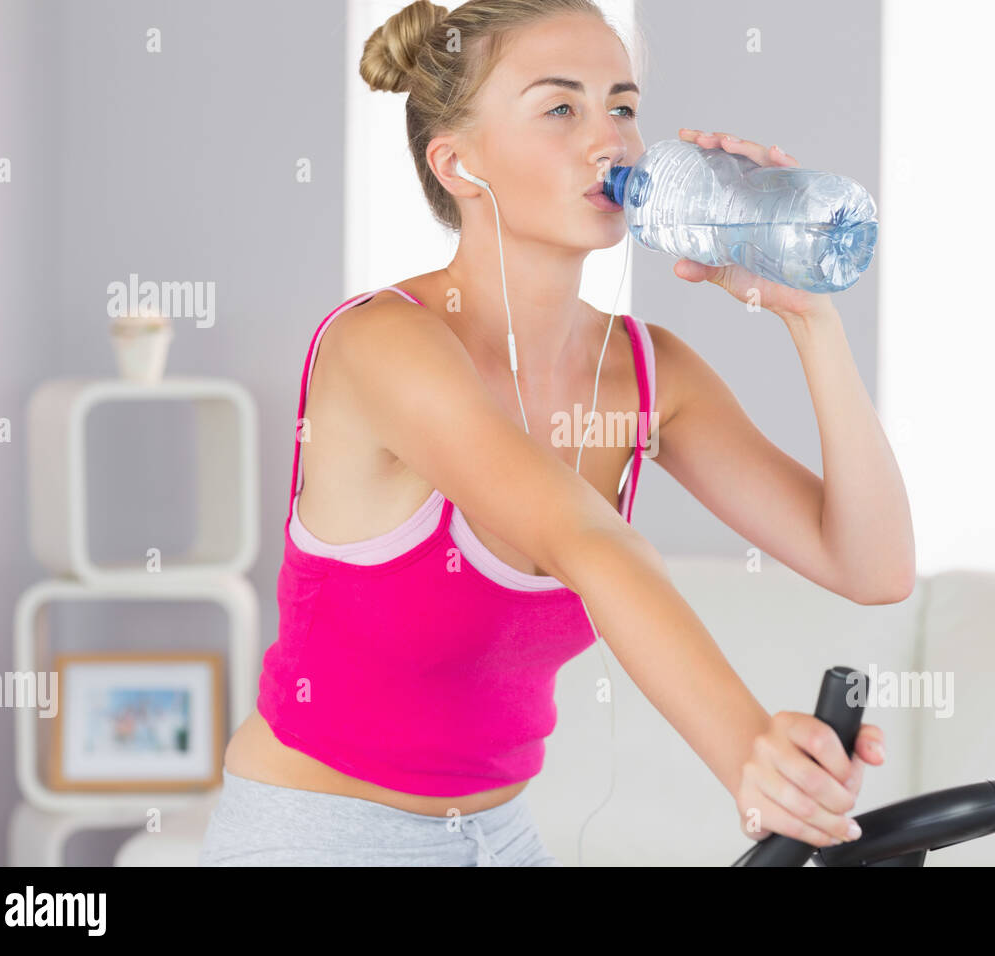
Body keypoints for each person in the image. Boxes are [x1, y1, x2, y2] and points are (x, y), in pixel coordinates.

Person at [199, 0, 908, 868]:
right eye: (561, 108)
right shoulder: (382, 345)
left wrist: (811, 317)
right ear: (458, 163)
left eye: (622, 105)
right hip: (316, 838)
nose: (609, 140)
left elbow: (871, 566)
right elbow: (584, 538)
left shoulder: (651, 373)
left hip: (499, 839)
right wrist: (746, 747)